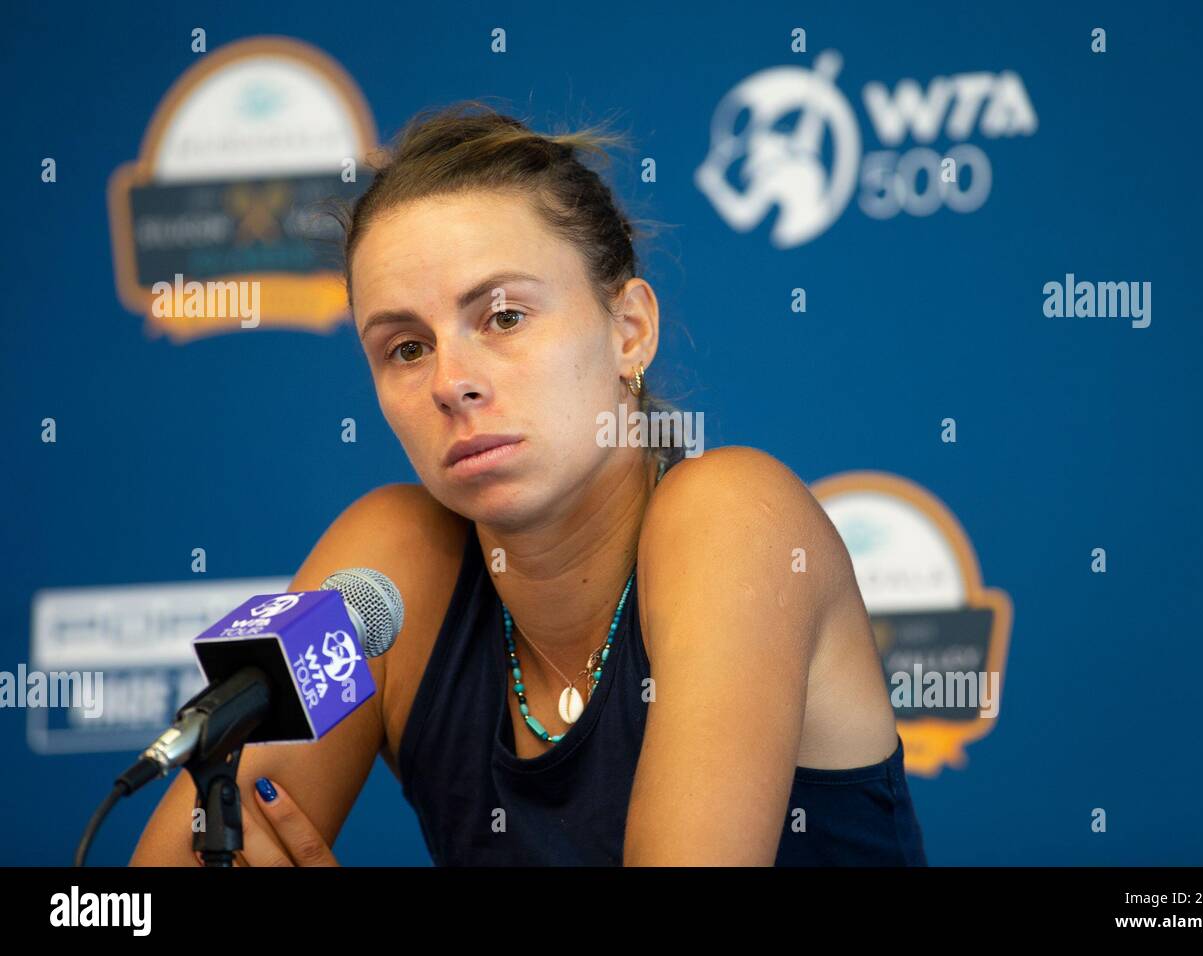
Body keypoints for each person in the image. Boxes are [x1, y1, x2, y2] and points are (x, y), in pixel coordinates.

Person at [129, 100, 926, 867]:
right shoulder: (392, 560)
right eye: (406, 348)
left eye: (504, 317)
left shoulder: (736, 518)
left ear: (629, 331)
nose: (452, 381)